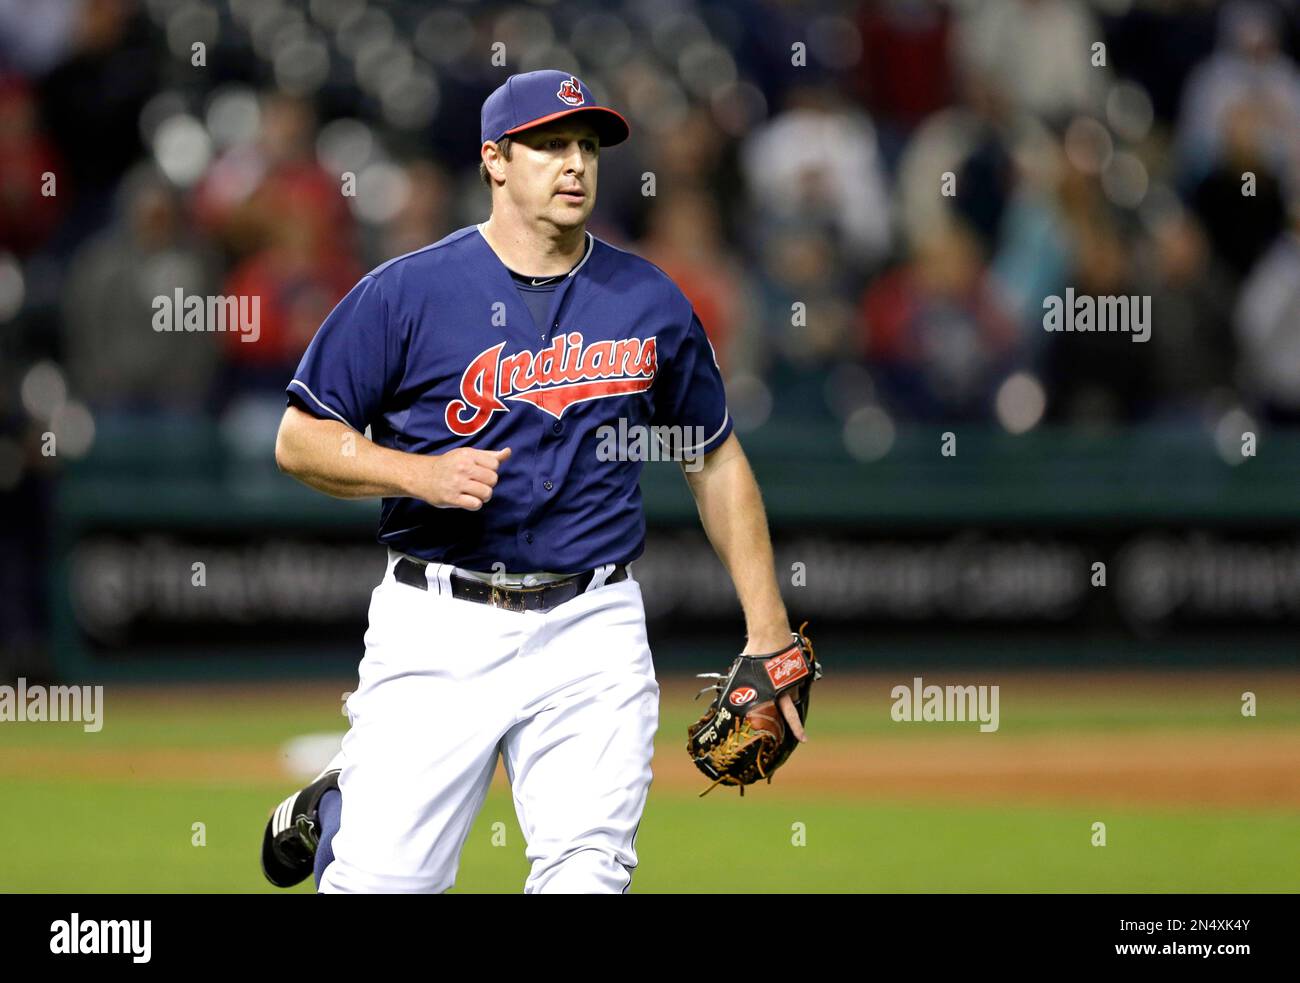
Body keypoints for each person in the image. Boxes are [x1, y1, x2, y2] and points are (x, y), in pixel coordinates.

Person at [261, 70, 806, 894]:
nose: (575, 163)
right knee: (384, 884)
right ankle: (343, 808)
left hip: (593, 621)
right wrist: (417, 472)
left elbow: (714, 457)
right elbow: (299, 439)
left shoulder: (648, 298)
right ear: (495, 160)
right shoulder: (409, 291)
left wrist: (768, 630)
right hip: (440, 618)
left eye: (587, 146)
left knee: (588, 874)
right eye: (549, 145)